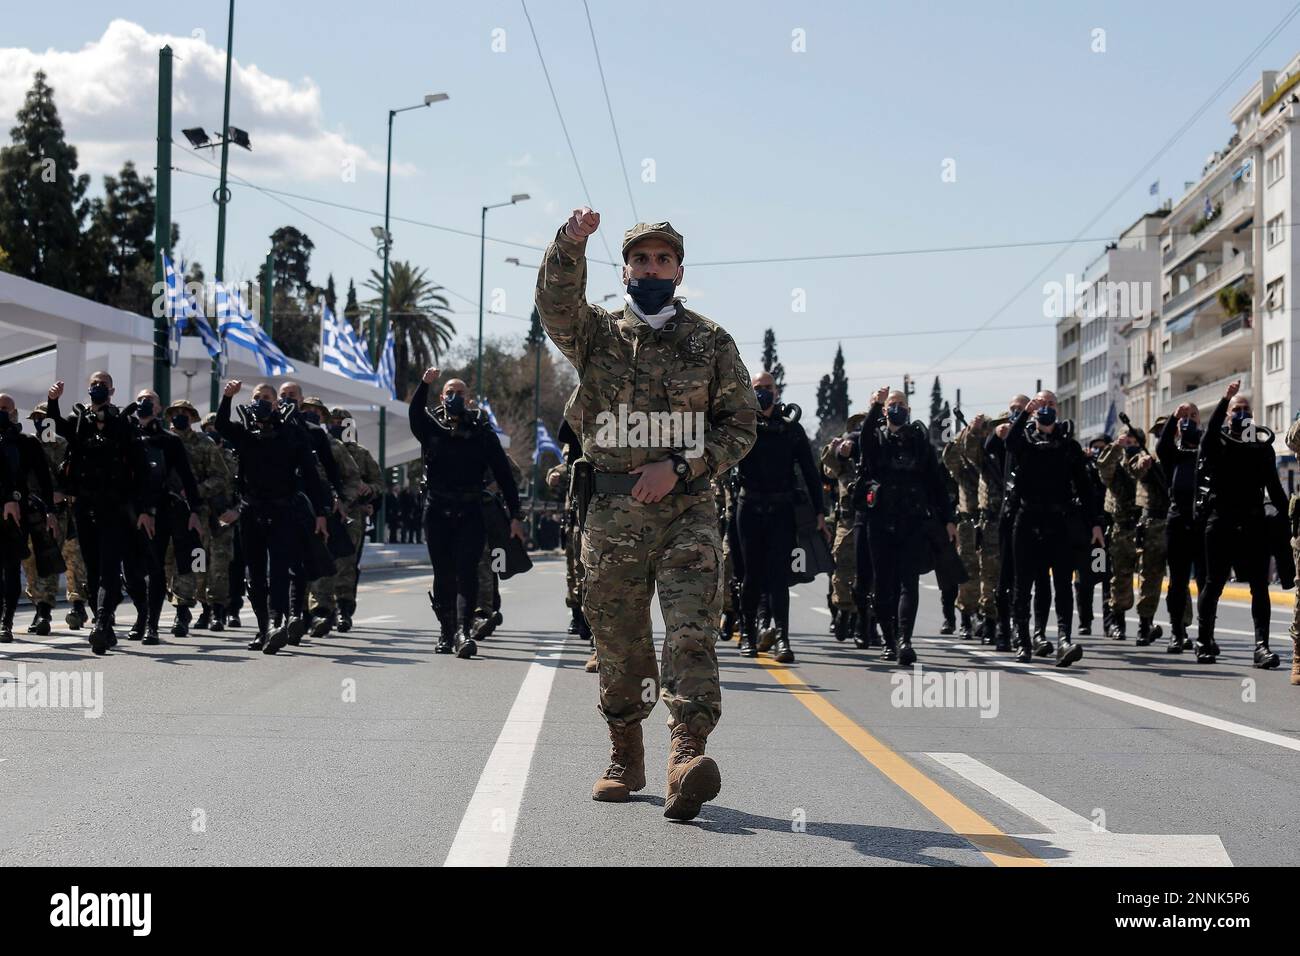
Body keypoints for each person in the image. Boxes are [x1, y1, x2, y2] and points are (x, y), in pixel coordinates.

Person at [536, 208, 757, 820]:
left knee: (692, 631)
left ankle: (685, 756)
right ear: (626, 269)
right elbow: (555, 306)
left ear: (679, 271)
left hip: (687, 511)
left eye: (663, 260)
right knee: (621, 638)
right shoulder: (598, 334)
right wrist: (569, 243)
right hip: (611, 516)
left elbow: (741, 426)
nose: (651, 268)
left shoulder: (711, 342)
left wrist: (682, 468)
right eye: (640, 259)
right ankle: (624, 754)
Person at [408, 369, 523, 658]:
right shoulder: (431, 427)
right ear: (441, 397)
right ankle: (446, 632)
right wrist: (424, 384)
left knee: (467, 571)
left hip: (470, 509)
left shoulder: (482, 432)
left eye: (460, 393)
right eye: (448, 392)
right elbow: (414, 414)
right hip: (437, 510)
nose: (454, 397)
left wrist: (516, 515)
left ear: (469, 399)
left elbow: (505, 475)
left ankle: (463, 632)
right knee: (443, 573)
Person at [215, 379, 330, 654]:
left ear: (277, 403)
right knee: (254, 575)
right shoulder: (244, 433)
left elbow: (312, 476)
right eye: (257, 397)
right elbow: (221, 426)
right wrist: (227, 398)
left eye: (267, 397)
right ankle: (263, 627)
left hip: (282, 511)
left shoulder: (292, 434)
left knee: (279, 570)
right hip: (251, 510)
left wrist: (322, 512)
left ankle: (277, 622)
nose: (262, 401)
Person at [844, 386, 955, 666]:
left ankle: (905, 640)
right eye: (891, 405)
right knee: (883, 584)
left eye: (901, 405)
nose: (897, 409)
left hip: (912, 521)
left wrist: (948, 518)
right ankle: (889, 639)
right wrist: (874, 407)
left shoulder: (919, 442)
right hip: (879, 522)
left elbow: (936, 483)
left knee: (909, 583)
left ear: (909, 410)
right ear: (884, 411)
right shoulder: (874, 440)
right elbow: (865, 438)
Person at [46, 372, 142, 654]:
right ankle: (106, 622)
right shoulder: (80, 421)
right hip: (84, 505)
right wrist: (53, 402)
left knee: (110, 568)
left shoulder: (123, 421)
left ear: (112, 390)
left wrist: (141, 509)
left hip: (113, 506)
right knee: (93, 568)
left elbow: (138, 465)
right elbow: (60, 427)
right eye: (94, 383)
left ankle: (101, 623)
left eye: (103, 384)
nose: (97, 387)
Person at [1194, 380, 1287, 667]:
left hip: (1253, 523)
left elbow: (1274, 488)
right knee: (1214, 583)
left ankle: (1262, 647)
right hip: (1221, 521)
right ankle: (1204, 641)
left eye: (1246, 409)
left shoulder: (1262, 448)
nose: (1242, 413)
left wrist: (1289, 518)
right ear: (1228, 414)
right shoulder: (1217, 442)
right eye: (1237, 409)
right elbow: (1209, 435)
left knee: (1260, 586)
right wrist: (1226, 399)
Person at [733, 371, 825, 663]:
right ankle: (748, 634)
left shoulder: (791, 429)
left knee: (778, 577)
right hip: (749, 507)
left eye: (768, 387)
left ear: (777, 391)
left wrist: (820, 512)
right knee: (751, 575)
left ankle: (782, 638)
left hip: (782, 509)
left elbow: (811, 472)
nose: (763, 392)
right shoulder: (742, 424)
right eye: (758, 388)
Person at [1005, 391, 1101, 667]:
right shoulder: (1024, 440)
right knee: (1023, 584)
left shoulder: (1068, 446)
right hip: (1028, 519)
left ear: (1058, 409)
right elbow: (1010, 444)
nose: (1046, 409)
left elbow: (1085, 487)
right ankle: (1023, 640)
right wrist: (1025, 412)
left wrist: (1095, 523)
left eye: (1051, 404)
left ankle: (1064, 640)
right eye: (1041, 405)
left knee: (1062, 583)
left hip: (1059, 521)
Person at [120, 389, 202, 645]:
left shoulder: (169, 441)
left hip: (161, 512)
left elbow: (187, 478)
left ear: (158, 408)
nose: (144, 403)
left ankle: (151, 625)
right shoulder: (125, 434)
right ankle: (142, 612)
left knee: (156, 570)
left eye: (150, 400)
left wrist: (195, 512)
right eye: (141, 398)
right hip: (127, 511)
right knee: (130, 572)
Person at [164, 400, 237, 635]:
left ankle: (184, 611)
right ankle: (171, 601)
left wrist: (196, 491)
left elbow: (220, 477)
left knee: (193, 562)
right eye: (176, 413)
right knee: (164, 563)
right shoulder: (160, 441)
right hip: (164, 510)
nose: (180, 416)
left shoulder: (204, 444)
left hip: (196, 513)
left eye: (185, 413)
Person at [22, 401, 88, 633]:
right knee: (35, 561)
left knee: (73, 562)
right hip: (33, 513)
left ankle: (75, 606)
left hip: (64, 514)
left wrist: (64, 493)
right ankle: (41, 607)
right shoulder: (27, 445)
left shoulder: (64, 446)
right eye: (37, 419)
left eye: (45, 418)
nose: (41, 423)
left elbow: (77, 478)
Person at [0, 394, 57, 643]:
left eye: (6, 409)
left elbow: (44, 479)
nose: (2, 412)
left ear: (14, 413)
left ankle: (6, 621)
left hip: (17, 513)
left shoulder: (26, 443)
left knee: (11, 569)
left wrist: (50, 512)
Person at [331, 407, 384, 632]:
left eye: (340, 422)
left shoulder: (361, 454)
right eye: (332, 421)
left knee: (347, 564)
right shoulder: (317, 446)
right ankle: (319, 610)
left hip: (352, 515)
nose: (336, 425)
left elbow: (379, 484)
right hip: (324, 511)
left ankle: (343, 608)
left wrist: (368, 489)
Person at [1123, 418, 1170, 646]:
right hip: (1153, 521)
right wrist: (1144, 464)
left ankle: (1181, 630)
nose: (1164, 434)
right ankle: (1144, 625)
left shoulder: (1185, 454)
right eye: (1159, 431)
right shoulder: (1148, 456)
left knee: (1179, 581)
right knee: (1149, 577)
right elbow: (1136, 469)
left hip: (1177, 520)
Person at [822, 413, 869, 646]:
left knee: (870, 574)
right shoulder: (843, 458)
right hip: (846, 521)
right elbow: (827, 466)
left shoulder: (875, 453)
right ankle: (841, 610)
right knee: (842, 569)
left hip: (872, 521)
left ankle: (866, 621)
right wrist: (840, 451)